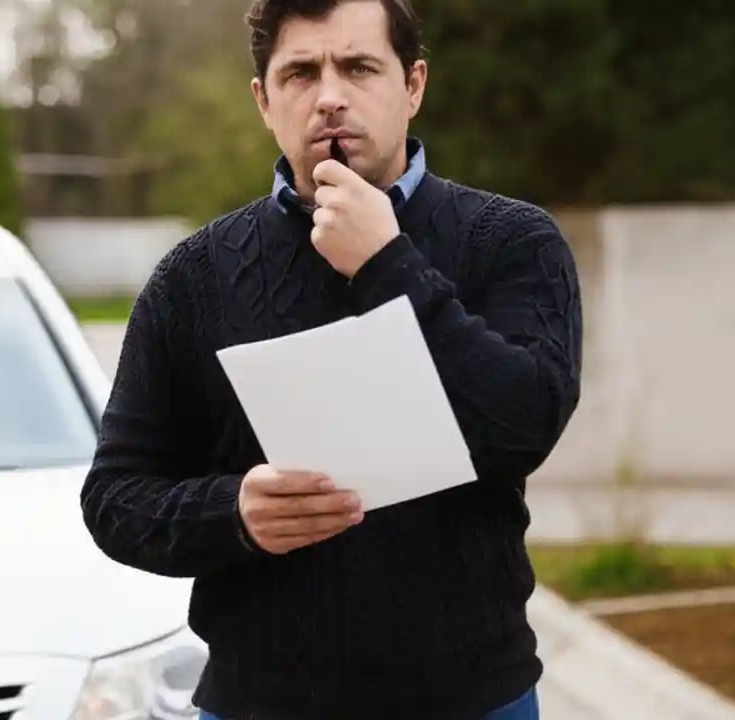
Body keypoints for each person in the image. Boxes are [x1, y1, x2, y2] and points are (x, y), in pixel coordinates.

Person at [79, 0, 581, 717]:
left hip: (470, 698)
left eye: (359, 67)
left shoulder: (512, 242)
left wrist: (386, 263)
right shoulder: (190, 278)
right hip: (257, 702)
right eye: (300, 73)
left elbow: (522, 427)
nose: (330, 96)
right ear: (264, 100)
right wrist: (233, 514)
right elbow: (114, 497)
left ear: (413, 86)